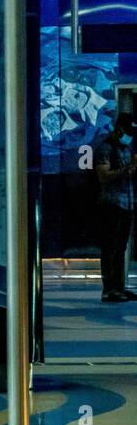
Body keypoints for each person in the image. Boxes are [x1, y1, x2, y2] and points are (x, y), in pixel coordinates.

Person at [97, 112, 137, 303]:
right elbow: (103, 175)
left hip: (126, 204)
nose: (130, 134)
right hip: (111, 204)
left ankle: (120, 287)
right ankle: (109, 289)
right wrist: (127, 169)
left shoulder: (126, 148)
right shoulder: (106, 148)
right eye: (128, 130)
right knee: (110, 248)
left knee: (121, 248)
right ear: (119, 128)